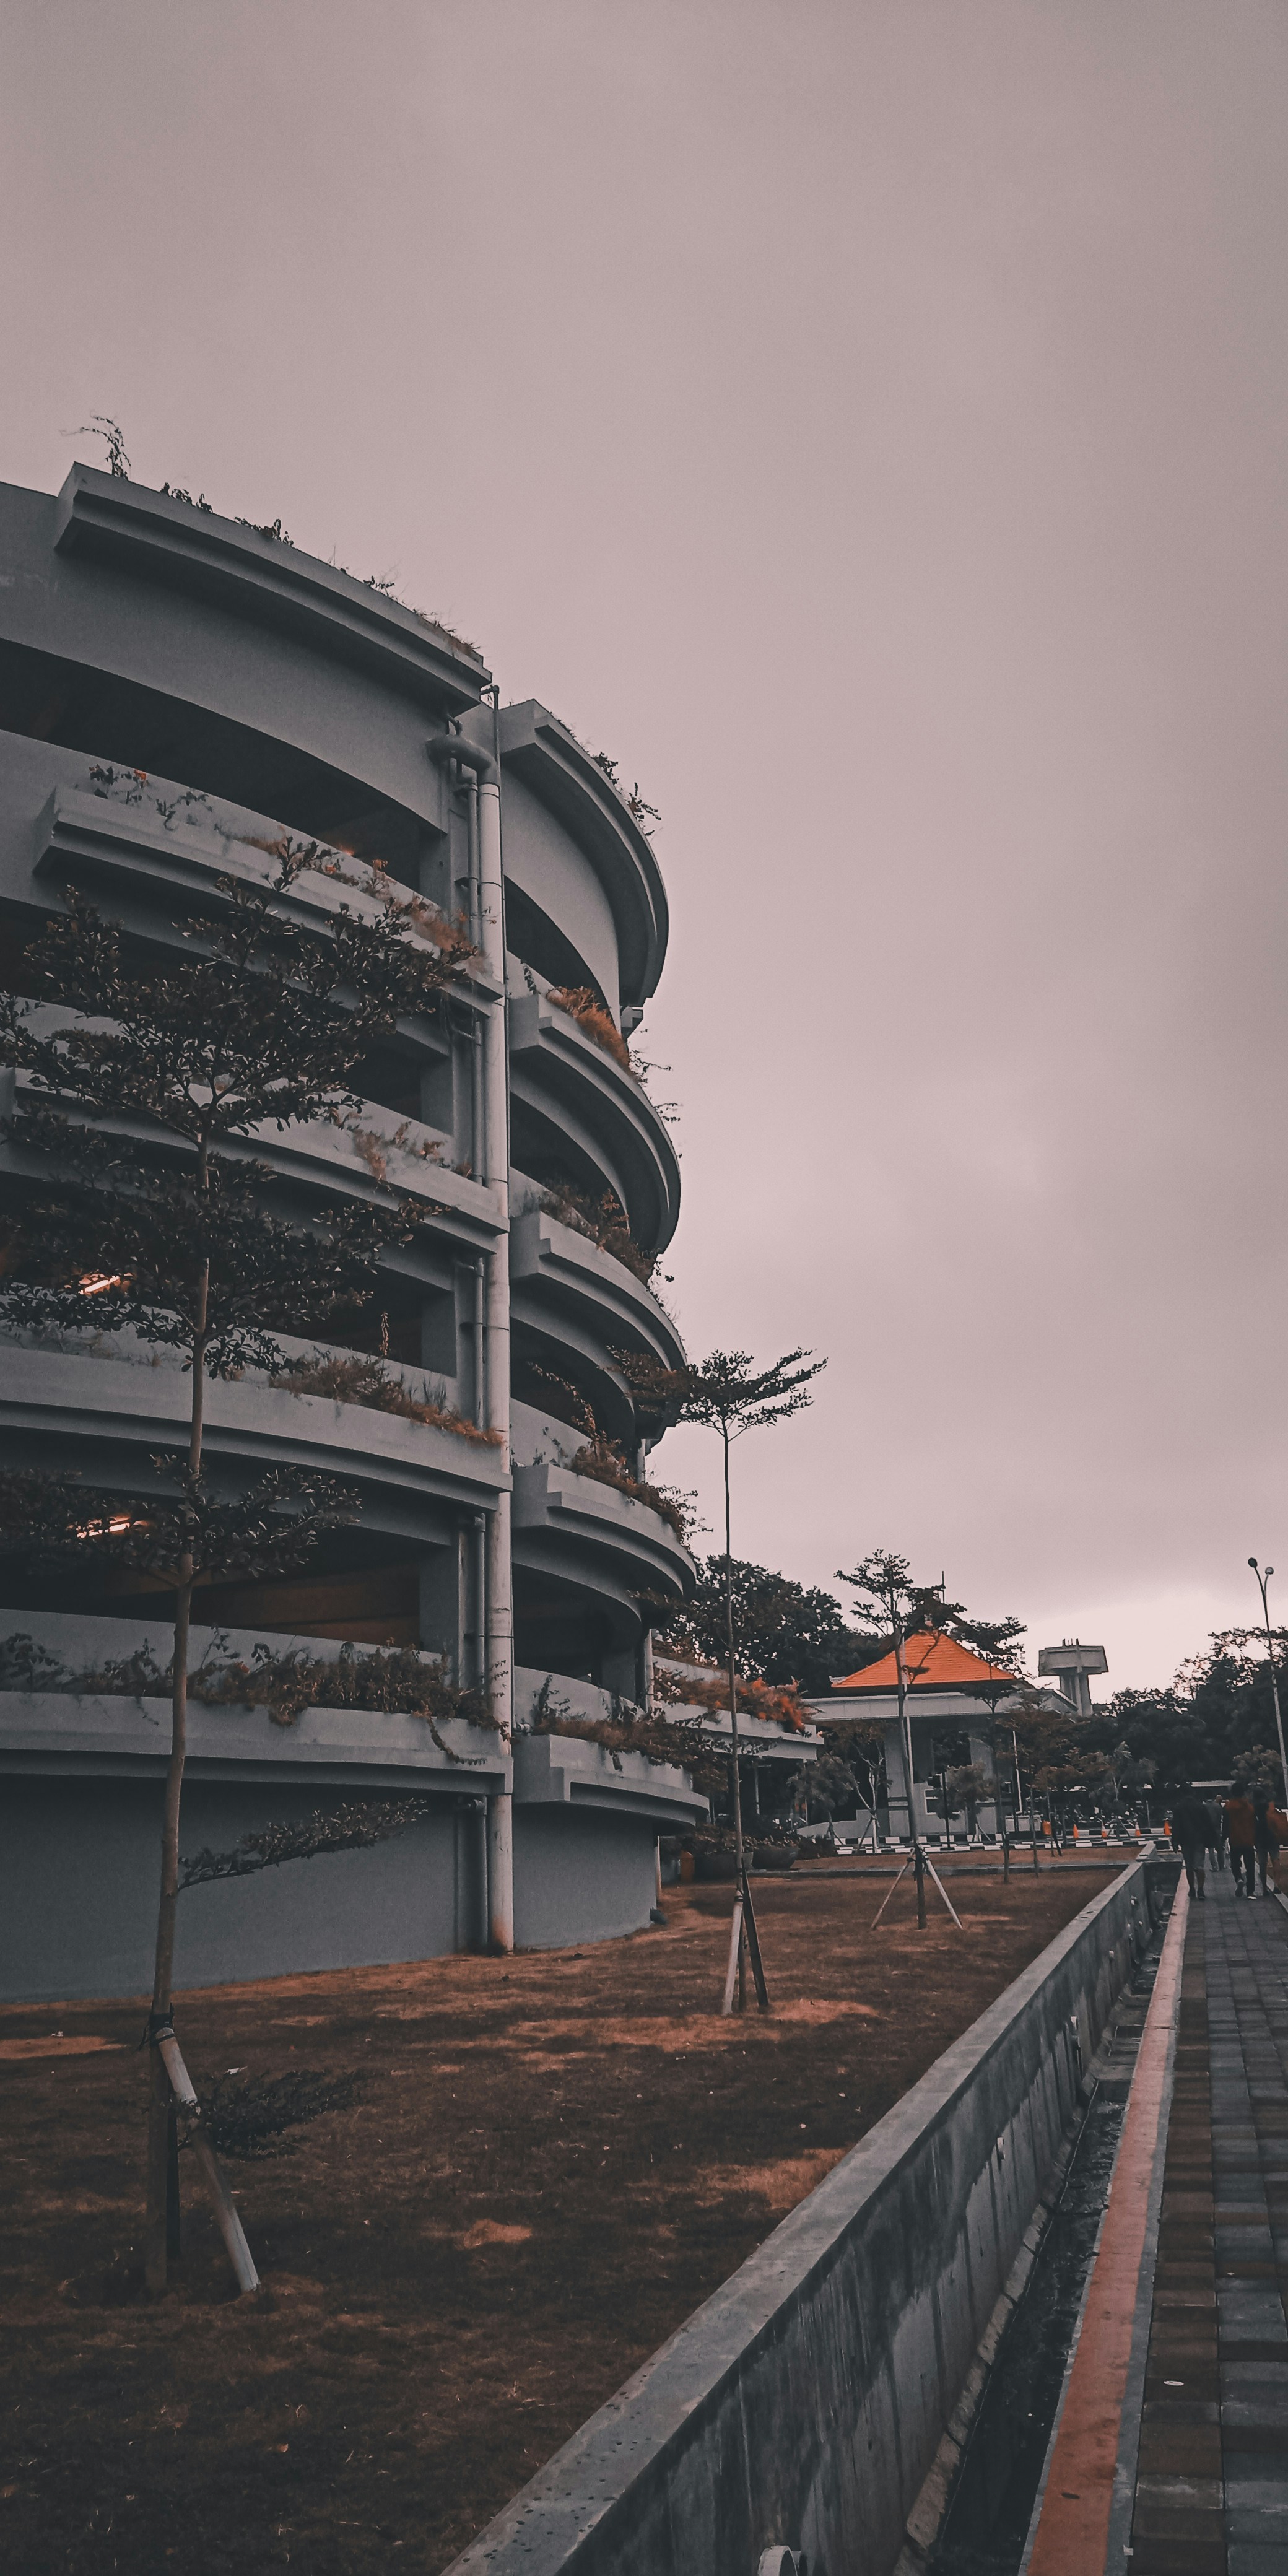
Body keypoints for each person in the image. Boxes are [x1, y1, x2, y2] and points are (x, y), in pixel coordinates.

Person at [1170, 1783, 1213, 1900]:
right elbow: (1208, 1824)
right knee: (1200, 1866)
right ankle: (1201, 1889)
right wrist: (1211, 1840)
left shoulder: (1179, 1808)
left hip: (1185, 1841)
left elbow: (1176, 1826)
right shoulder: (1200, 1807)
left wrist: (1175, 1841)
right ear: (1193, 1793)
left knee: (1189, 1867)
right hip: (1199, 1840)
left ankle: (1192, 1889)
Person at [1253, 1786, 1288, 1897]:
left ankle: (1264, 1889)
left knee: (1262, 1864)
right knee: (1275, 1860)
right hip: (1273, 1837)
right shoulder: (1271, 1806)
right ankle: (1277, 1885)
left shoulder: (1253, 1807)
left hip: (1260, 1838)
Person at [1224, 1783, 1258, 1897]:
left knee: (1235, 1864)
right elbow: (1255, 1824)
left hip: (1235, 1839)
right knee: (1250, 1866)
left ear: (1232, 1793)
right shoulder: (1250, 1807)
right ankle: (1251, 1892)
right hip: (1249, 1839)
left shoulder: (1229, 1807)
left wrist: (1223, 1838)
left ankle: (1239, 1878)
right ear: (1243, 1792)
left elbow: (1226, 1825)